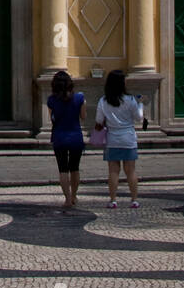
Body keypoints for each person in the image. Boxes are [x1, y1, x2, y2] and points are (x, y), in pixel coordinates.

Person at [95, 69, 143, 209]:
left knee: (113, 171)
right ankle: (134, 200)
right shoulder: (130, 100)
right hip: (128, 137)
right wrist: (140, 104)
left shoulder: (103, 101)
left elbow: (99, 120)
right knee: (131, 171)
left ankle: (113, 200)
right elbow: (139, 118)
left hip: (112, 138)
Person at [47, 70, 86, 212]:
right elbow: (83, 116)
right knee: (74, 168)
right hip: (76, 136)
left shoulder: (51, 100)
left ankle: (67, 199)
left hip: (59, 136)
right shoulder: (79, 98)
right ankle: (75, 196)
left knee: (62, 169)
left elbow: (53, 119)